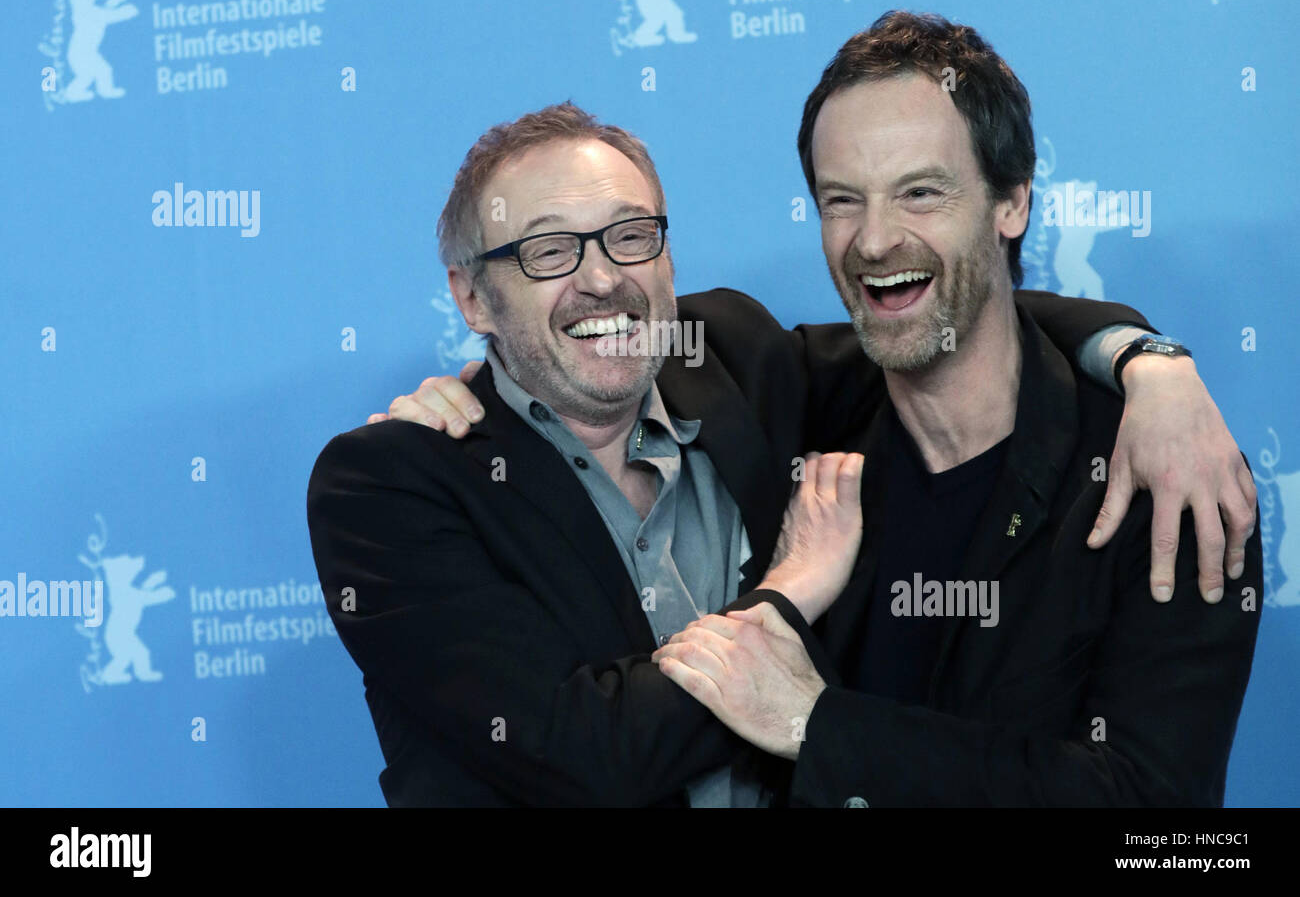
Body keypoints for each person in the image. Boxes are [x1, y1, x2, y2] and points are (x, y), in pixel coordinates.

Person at [312, 88, 1252, 806]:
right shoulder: (392, 484)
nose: (602, 280)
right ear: (472, 298)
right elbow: (582, 754)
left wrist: (1146, 360)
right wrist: (791, 592)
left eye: (629, 237)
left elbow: (942, 309)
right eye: (548, 251)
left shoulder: (733, 361)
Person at [645, 11, 1261, 806]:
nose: (874, 240)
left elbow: (1152, 813)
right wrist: (465, 407)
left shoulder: (1166, 474)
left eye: (921, 192)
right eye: (842, 200)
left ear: (1013, 202)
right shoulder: (803, 398)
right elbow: (603, 331)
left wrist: (818, 723)